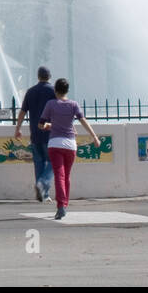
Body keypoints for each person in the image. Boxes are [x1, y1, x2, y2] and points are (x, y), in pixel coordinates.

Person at [38, 78, 101, 219]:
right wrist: (95, 137)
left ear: (55, 90)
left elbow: (41, 125)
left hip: (55, 144)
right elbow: (83, 121)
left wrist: (50, 125)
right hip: (70, 145)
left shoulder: (50, 104)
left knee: (59, 176)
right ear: (67, 90)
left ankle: (60, 206)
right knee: (66, 176)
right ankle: (64, 204)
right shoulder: (73, 104)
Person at [13, 66, 56, 202]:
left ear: (38, 76)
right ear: (49, 76)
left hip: (35, 134)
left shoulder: (30, 91)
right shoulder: (53, 91)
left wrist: (18, 128)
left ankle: (43, 193)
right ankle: (43, 186)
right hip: (50, 133)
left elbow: (22, 112)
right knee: (53, 162)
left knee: (39, 163)